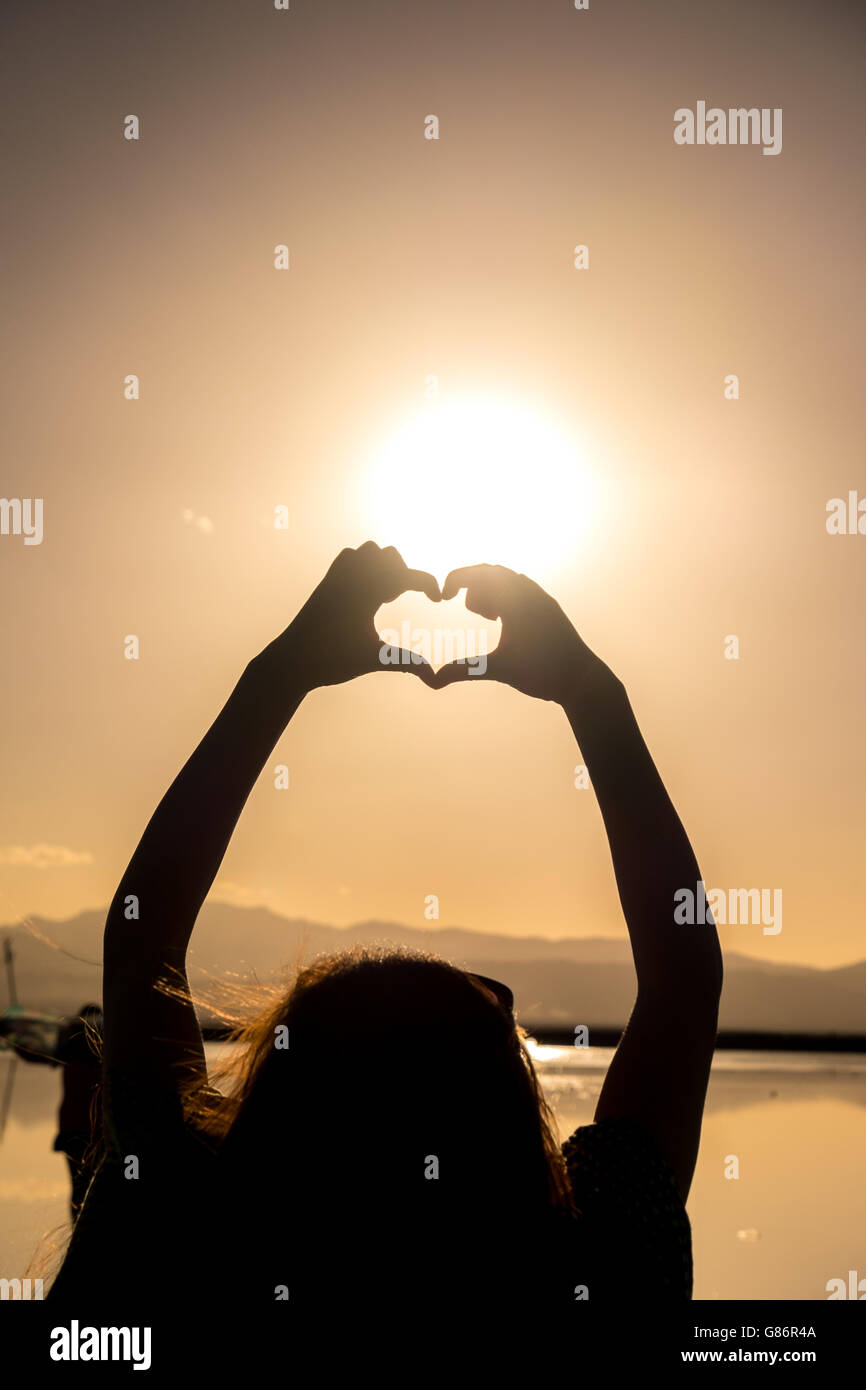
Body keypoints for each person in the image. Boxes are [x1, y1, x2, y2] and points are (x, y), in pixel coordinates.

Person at [47, 542, 722, 1339]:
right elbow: (683, 986)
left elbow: (141, 944)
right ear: (503, 1108)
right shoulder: (592, 1268)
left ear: (280, 1089)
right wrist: (589, 691)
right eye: (489, 1006)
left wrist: (285, 670)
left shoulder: (191, 1234)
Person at [52, 1003, 103, 1221]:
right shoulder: (105, 1055)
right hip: (96, 1130)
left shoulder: (68, 1051)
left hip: (71, 1128)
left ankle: (78, 1230)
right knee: (99, 1184)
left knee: (78, 1185)